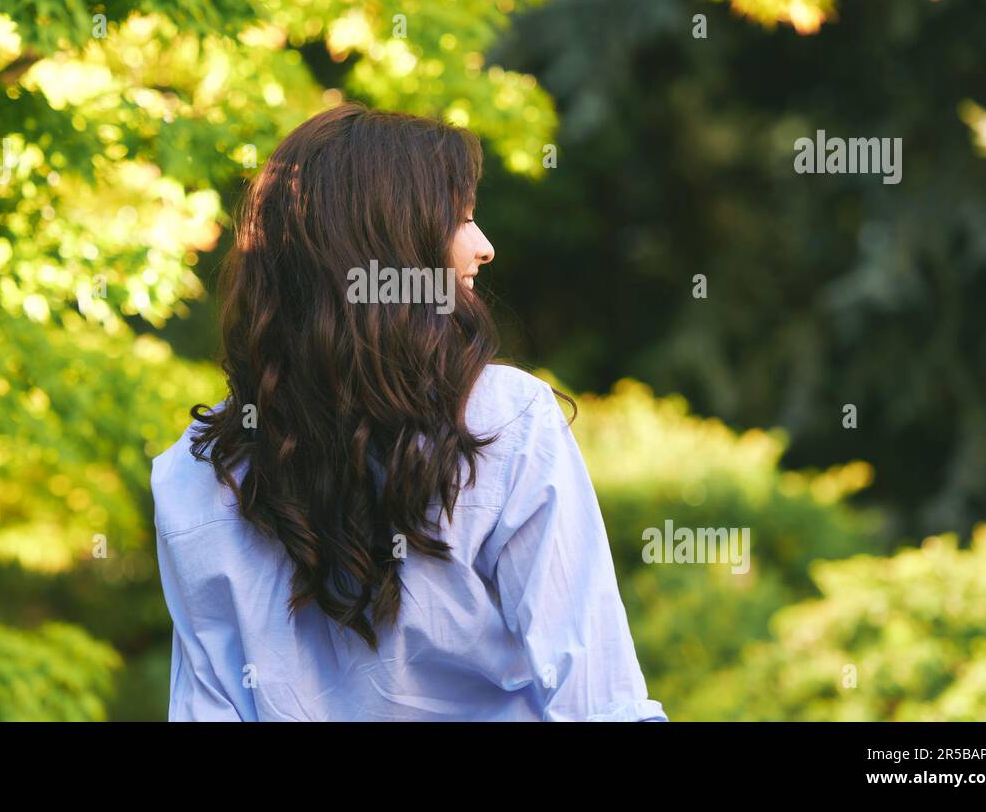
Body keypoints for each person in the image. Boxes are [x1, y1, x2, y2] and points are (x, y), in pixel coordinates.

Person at [152, 102, 667, 721]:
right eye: (460, 219)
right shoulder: (507, 418)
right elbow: (598, 701)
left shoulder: (192, 471)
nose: (484, 246)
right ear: (387, 247)